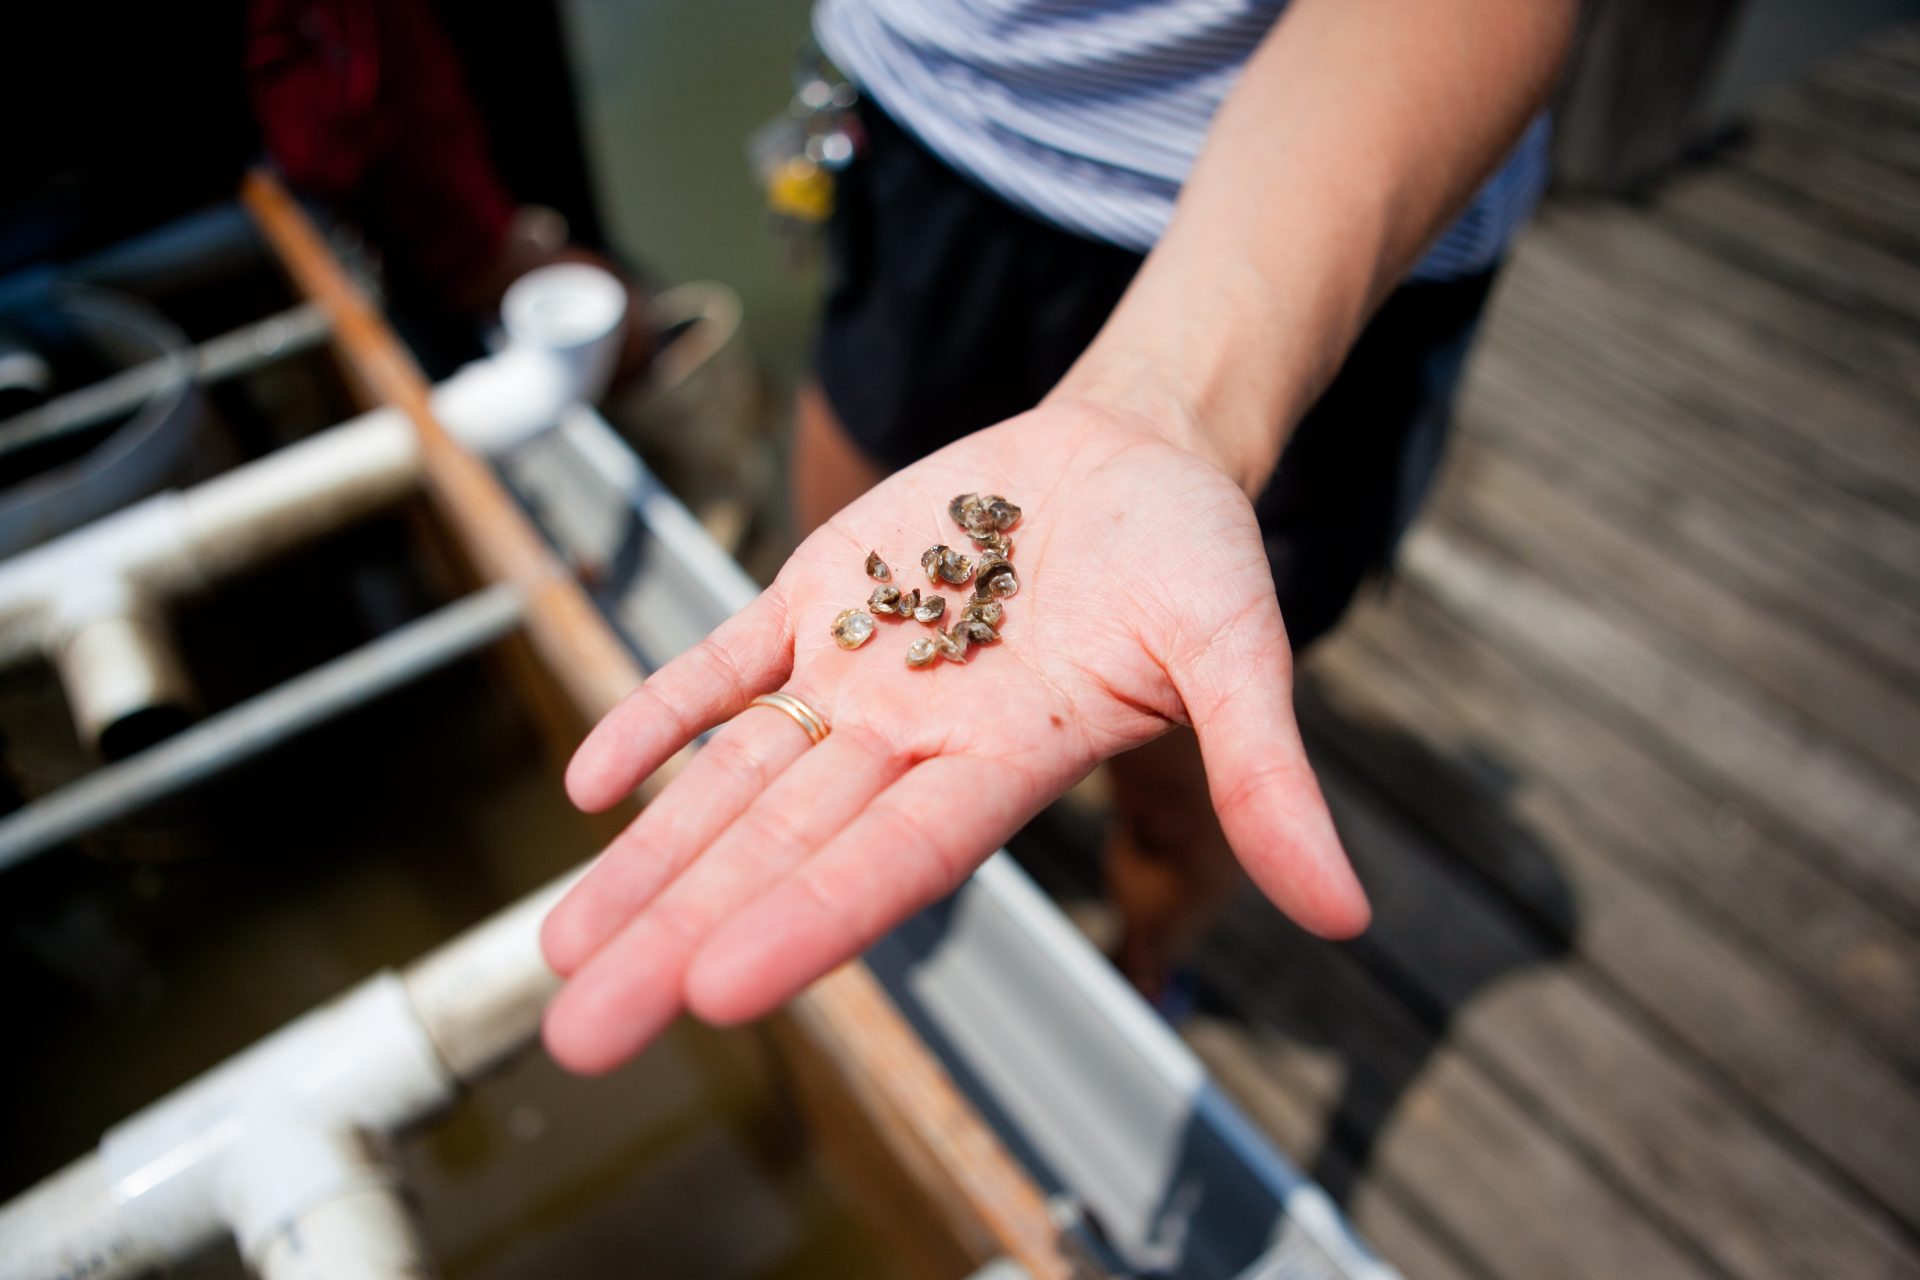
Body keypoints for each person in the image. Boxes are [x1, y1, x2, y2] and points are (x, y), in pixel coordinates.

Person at [539, 0, 1577, 1076]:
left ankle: (1146, 962)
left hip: (1306, 209)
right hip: (921, 140)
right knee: (847, 687)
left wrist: (1167, 407)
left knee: (1170, 775)